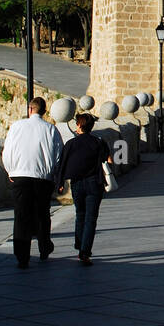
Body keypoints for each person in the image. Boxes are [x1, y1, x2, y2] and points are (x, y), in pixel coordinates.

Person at [1, 97, 64, 269]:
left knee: (21, 216)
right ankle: (44, 247)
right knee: (42, 214)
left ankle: (22, 256)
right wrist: (53, 174)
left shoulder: (16, 127)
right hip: (43, 178)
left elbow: (7, 151)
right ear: (44, 111)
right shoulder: (51, 129)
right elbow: (58, 155)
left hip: (20, 176)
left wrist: (10, 170)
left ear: (30, 109)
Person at [54, 112, 111, 265]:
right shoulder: (99, 142)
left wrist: (59, 183)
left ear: (79, 125)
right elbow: (108, 159)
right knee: (91, 219)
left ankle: (80, 243)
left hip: (77, 183)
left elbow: (62, 164)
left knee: (80, 214)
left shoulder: (71, 144)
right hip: (94, 183)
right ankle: (84, 252)